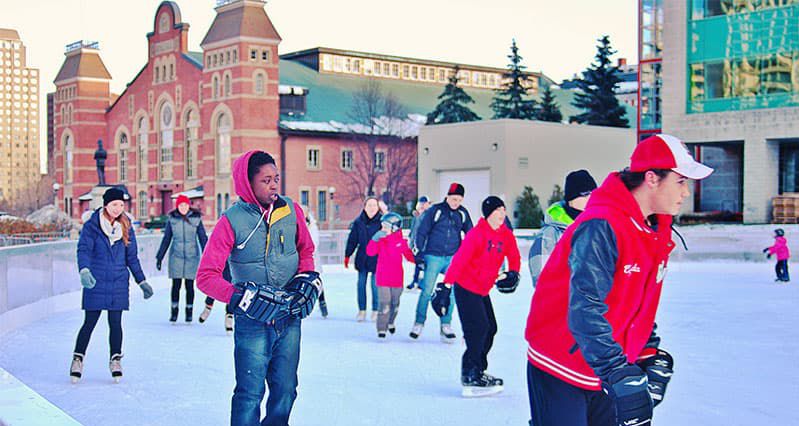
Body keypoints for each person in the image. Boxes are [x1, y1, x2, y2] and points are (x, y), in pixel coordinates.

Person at [524, 134, 713, 426]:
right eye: (680, 181)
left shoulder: (653, 229)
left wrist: (647, 351)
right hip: (562, 360)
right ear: (652, 178)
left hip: (606, 358)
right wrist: (617, 371)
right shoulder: (603, 224)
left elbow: (639, 302)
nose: (686, 192)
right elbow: (585, 306)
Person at [196, 150, 318, 426]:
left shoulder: (291, 210)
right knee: (249, 394)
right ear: (248, 183)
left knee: (286, 390)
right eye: (266, 180)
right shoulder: (231, 220)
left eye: (276, 178)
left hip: (288, 317)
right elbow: (206, 276)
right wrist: (239, 297)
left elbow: (306, 250)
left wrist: (306, 279)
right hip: (252, 321)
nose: (274, 185)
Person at [432, 196, 520, 397]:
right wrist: (446, 286)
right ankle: (470, 374)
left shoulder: (505, 234)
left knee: (490, 328)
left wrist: (514, 272)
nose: (501, 215)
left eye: (503, 211)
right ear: (488, 214)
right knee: (478, 329)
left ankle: (478, 370)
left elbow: (514, 256)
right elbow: (459, 261)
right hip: (465, 287)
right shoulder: (477, 235)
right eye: (497, 211)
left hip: (482, 289)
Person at [70, 187, 153, 384]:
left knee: (115, 323)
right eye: (114, 204)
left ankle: (115, 360)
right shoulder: (92, 226)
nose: (118, 208)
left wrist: (141, 281)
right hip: (96, 281)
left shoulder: (126, 226)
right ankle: (77, 359)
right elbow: (83, 249)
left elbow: (132, 258)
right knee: (89, 323)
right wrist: (84, 270)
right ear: (106, 205)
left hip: (118, 282)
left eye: (121, 205)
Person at [412, 182, 473, 343]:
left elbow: (471, 235)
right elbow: (422, 231)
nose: (456, 203)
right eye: (453, 199)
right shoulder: (436, 210)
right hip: (434, 256)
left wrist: (469, 255)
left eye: (459, 200)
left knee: (450, 292)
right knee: (426, 290)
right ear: (447, 196)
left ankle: (446, 325)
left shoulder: (462, 213)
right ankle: (419, 322)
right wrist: (419, 252)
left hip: (453, 258)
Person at [528, 169, 597, 287]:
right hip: (564, 303)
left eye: (594, 193)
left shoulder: (597, 229)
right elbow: (542, 281)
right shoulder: (550, 234)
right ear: (571, 199)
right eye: (585, 194)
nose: (591, 198)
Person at [156, 194, 208, 323]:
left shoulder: (196, 219)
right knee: (176, 285)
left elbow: (203, 239)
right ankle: (174, 312)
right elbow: (166, 239)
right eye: (180, 205)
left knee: (189, 286)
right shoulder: (172, 220)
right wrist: (159, 257)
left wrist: (208, 257)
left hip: (192, 256)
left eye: (185, 205)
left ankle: (189, 312)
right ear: (177, 206)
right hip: (176, 256)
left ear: (188, 205)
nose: (183, 207)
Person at [366, 212, 414, 338]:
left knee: (395, 303)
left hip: (397, 278)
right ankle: (381, 328)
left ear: (395, 227)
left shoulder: (401, 241)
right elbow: (370, 252)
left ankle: (391, 321)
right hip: (382, 277)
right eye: (382, 226)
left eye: (386, 226)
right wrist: (374, 239)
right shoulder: (380, 240)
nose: (383, 228)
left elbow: (409, 255)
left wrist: (419, 260)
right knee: (384, 303)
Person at [344, 197, 382, 322]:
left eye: (374, 205)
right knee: (361, 284)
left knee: (375, 286)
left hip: (378, 258)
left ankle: (376, 310)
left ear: (378, 208)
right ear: (365, 207)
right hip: (363, 258)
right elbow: (352, 240)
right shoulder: (358, 222)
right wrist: (347, 255)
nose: (372, 208)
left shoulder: (382, 222)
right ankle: (362, 310)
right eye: (369, 205)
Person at [197, 262, 235, 335]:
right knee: (216, 284)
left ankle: (229, 315)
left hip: (234, 262)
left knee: (231, 287)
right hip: (220, 260)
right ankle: (208, 306)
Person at [304, 206, 328, 317]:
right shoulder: (295, 223)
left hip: (312, 258)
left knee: (316, 281)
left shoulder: (312, 225)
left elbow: (314, 242)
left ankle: (322, 303)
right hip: (301, 258)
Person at [406, 196, 431, 291]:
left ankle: (421, 282)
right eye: (420, 204)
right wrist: (411, 242)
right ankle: (415, 281)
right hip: (415, 244)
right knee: (418, 263)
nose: (422, 206)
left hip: (424, 244)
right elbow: (413, 230)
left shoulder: (428, 216)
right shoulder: (416, 217)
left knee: (423, 264)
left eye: (424, 204)